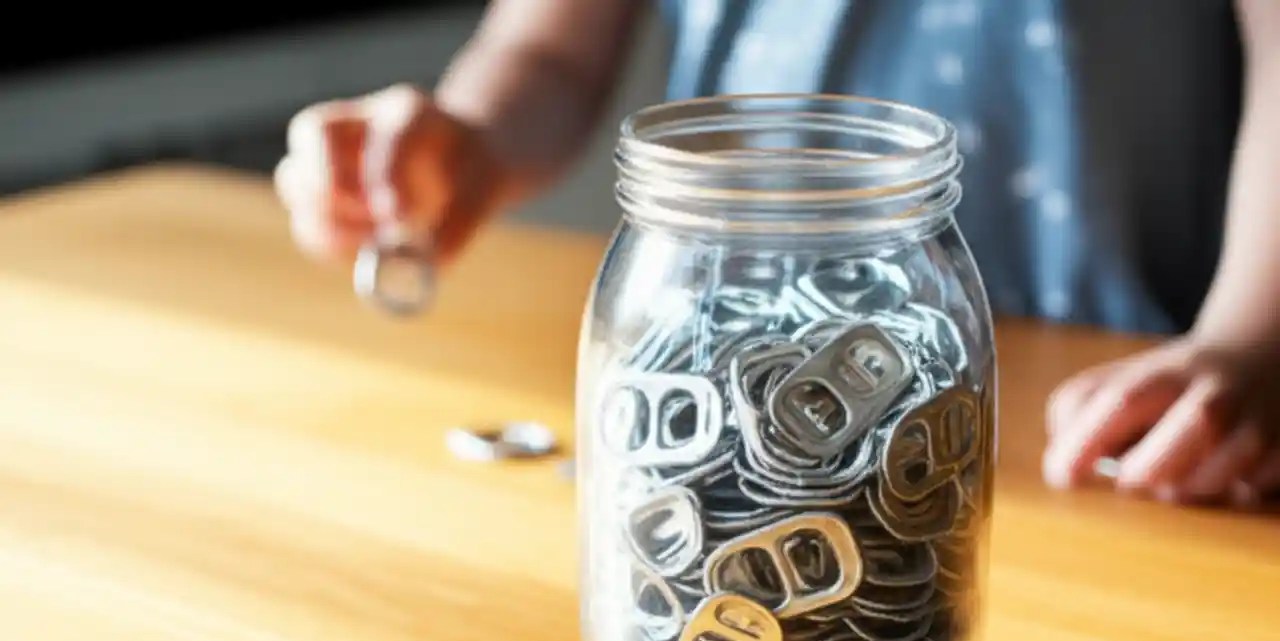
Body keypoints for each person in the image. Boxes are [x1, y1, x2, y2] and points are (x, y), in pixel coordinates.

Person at [274, 0, 1280, 505]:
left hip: (1119, 416)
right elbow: (547, 48)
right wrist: (470, 137)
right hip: (730, 398)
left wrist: (1251, 335)